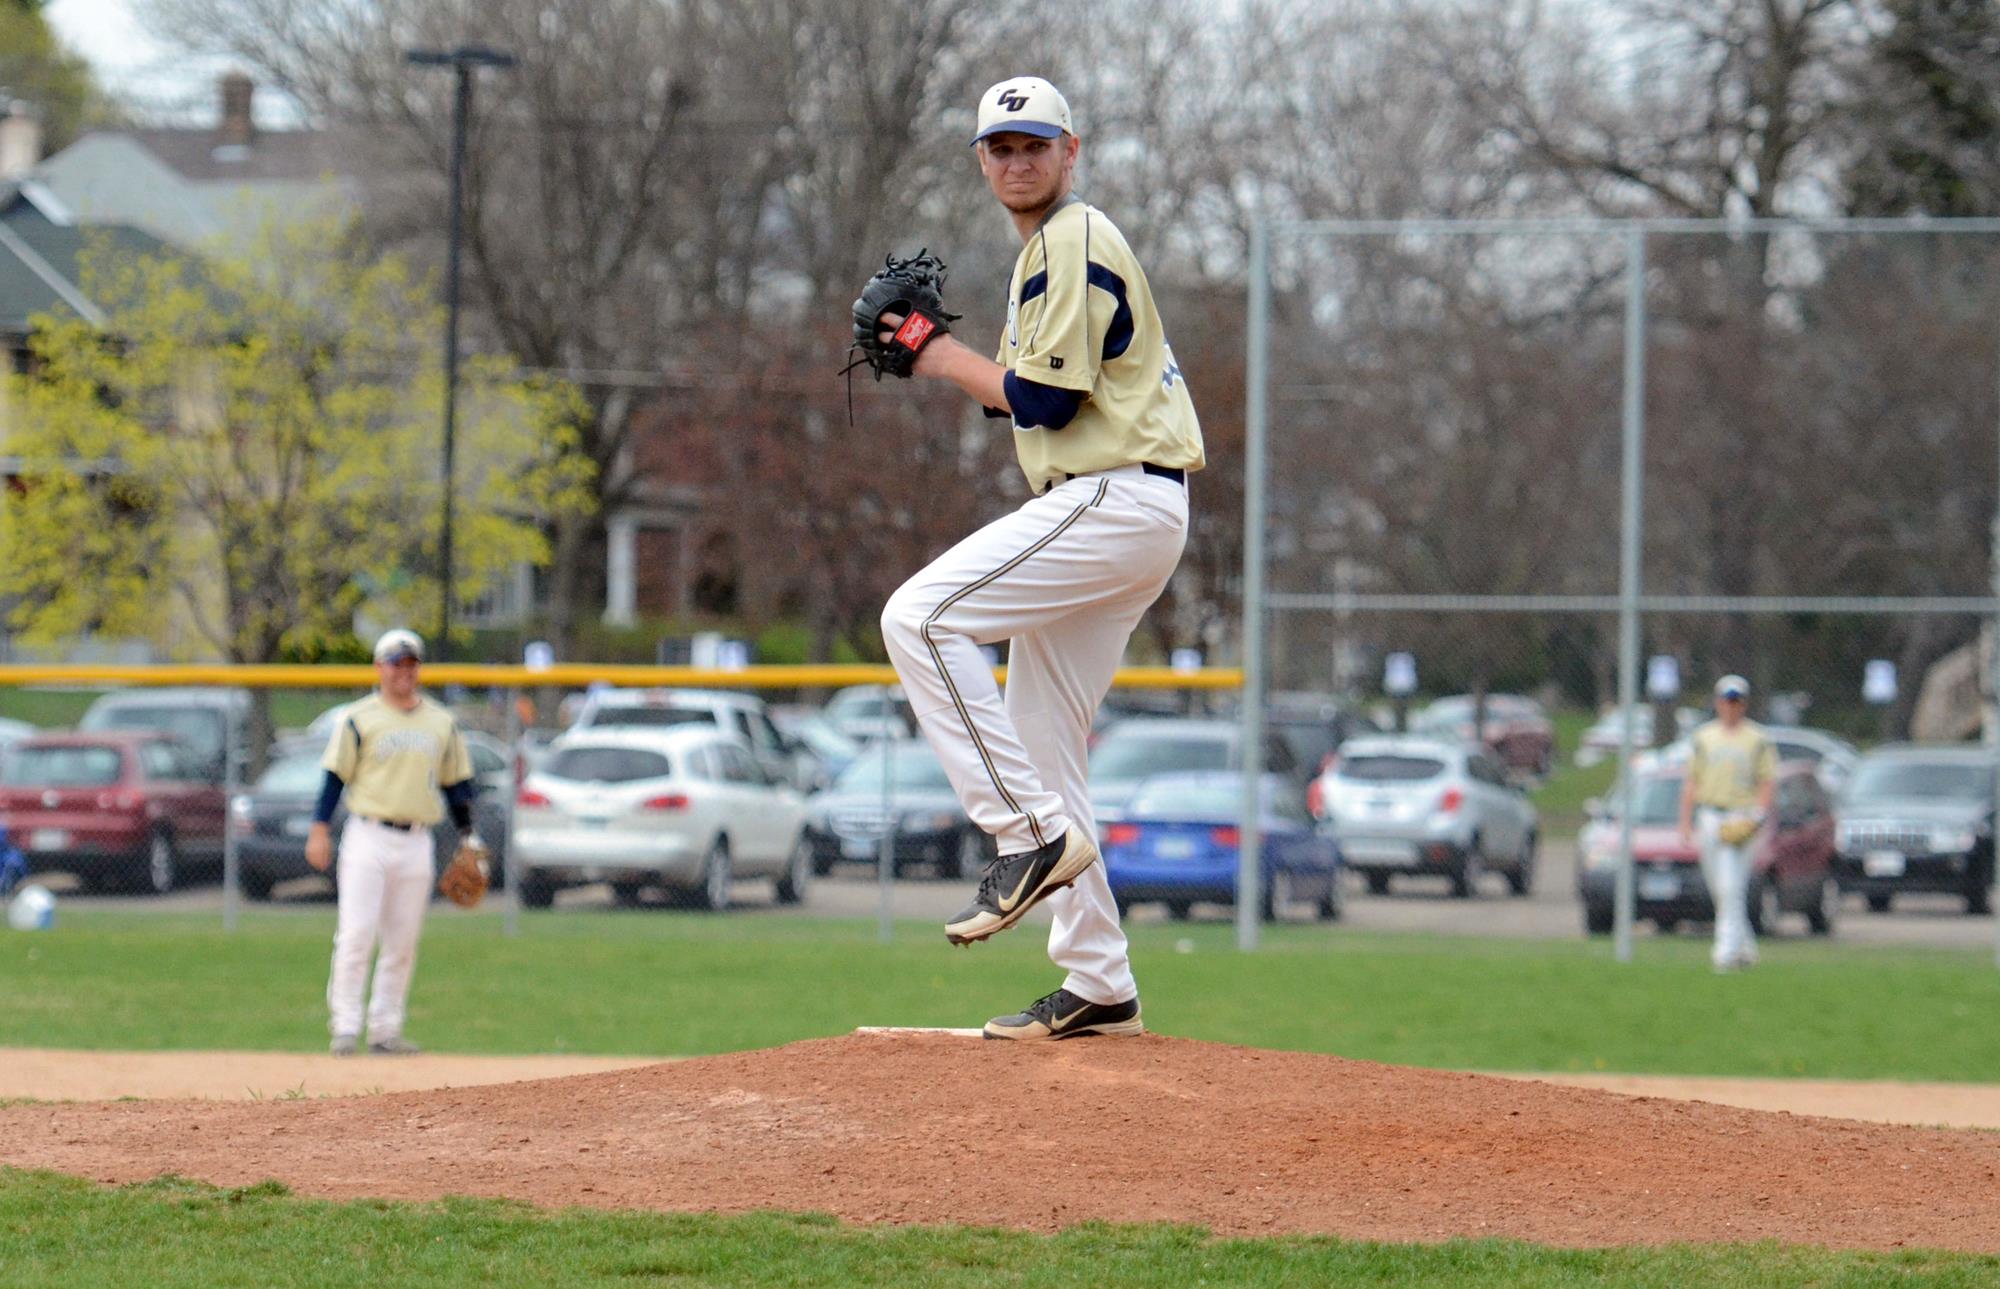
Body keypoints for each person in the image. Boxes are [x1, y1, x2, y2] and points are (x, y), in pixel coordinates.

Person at [876, 76, 1204, 1040]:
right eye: (1002, 148)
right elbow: (1024, 396)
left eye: (1035, 145)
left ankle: (1026, 837)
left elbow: (1048, 403)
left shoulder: (1072, 237)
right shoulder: (1052, 248)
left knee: (919, 617)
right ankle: (1100, 980)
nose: (1018, 162)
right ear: (982, 163)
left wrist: (935, 352)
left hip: (1113, 496)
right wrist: (947, 357)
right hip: (1126, 504)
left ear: (1072, 150)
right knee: (1043, 735)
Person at [306, 628, 481, 1055]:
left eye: (410, 663)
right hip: (368, 835)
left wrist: (468, 837)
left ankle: (385, 1031)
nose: (404, 671)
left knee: (402, 941)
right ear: (379, 668)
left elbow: (456, 785)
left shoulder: (441, 722)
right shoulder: (359, 718)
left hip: (417, 839)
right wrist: (319, 828)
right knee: (356, 934)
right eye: (395, 663)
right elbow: (335, 777)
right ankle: (345, 1028)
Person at [1677, 674, 1777, 972]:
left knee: (1732, 886)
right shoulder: (1704, 737)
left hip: (1741, 816)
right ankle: (1745, 948)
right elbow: (1692, 780)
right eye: (1726, 701)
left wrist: (1758, 815)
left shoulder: (1757, 739)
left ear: (1744, 704)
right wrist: (1685, 822)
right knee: (1720, 889)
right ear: (1718, 702)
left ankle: (1725, 953)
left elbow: (1767, 780)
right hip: (1710, 814)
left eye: (1736, 701)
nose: (1731, 707)